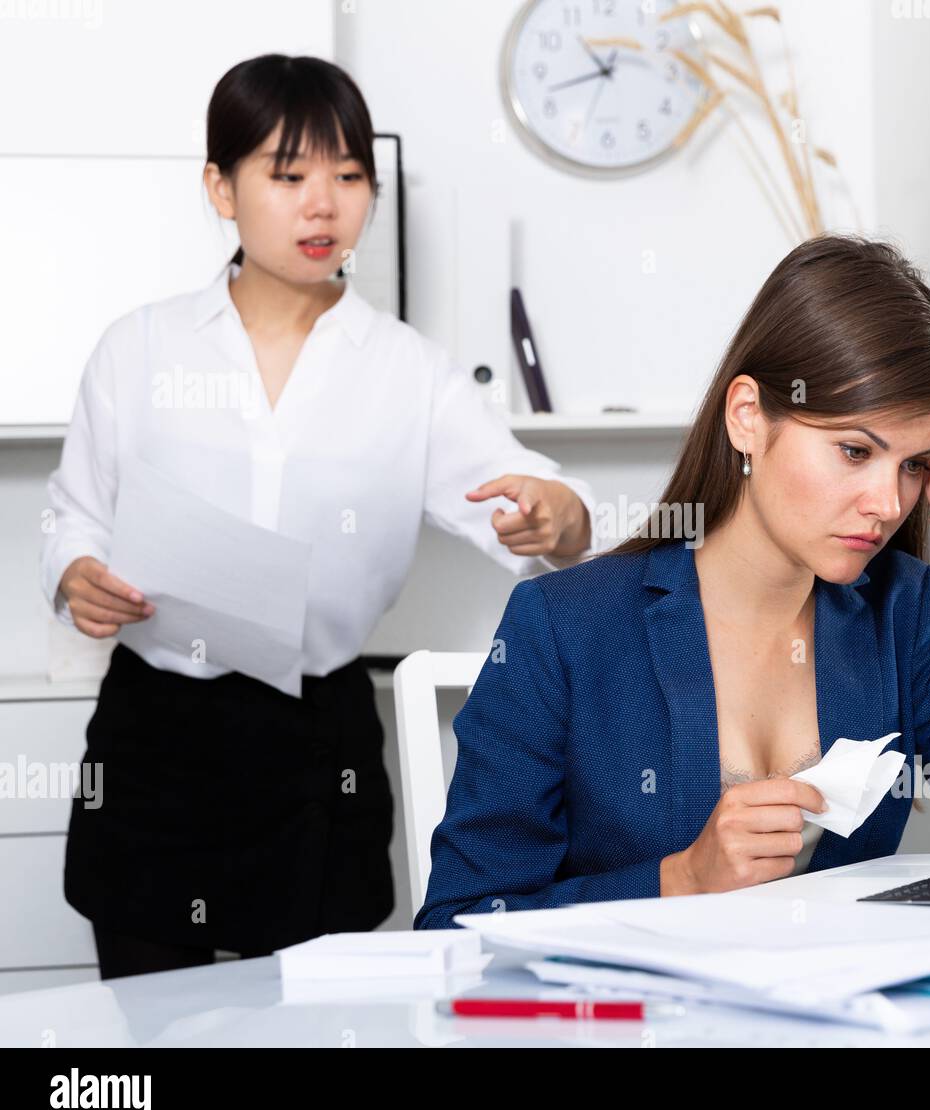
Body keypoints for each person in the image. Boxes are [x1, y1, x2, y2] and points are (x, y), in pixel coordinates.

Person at [40, 55, 601, 980]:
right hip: (155, 732)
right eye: (288, 174)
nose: (323, 205)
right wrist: (75, 576)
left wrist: (558, 516)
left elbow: (538, 496)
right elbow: (75, 516)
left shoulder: (406, 369)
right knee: (142, 1023)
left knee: (309, 1017)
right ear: (221, 186)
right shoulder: (137, 348)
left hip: (316, 741)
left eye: (348, 176)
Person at [414, 233, 930, 929]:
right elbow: (458, 922)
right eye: (855, 450)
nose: (887, 504)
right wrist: (679, 880)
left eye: (915, 464)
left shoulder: (904, 611)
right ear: (748, 418)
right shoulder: (562, 626)